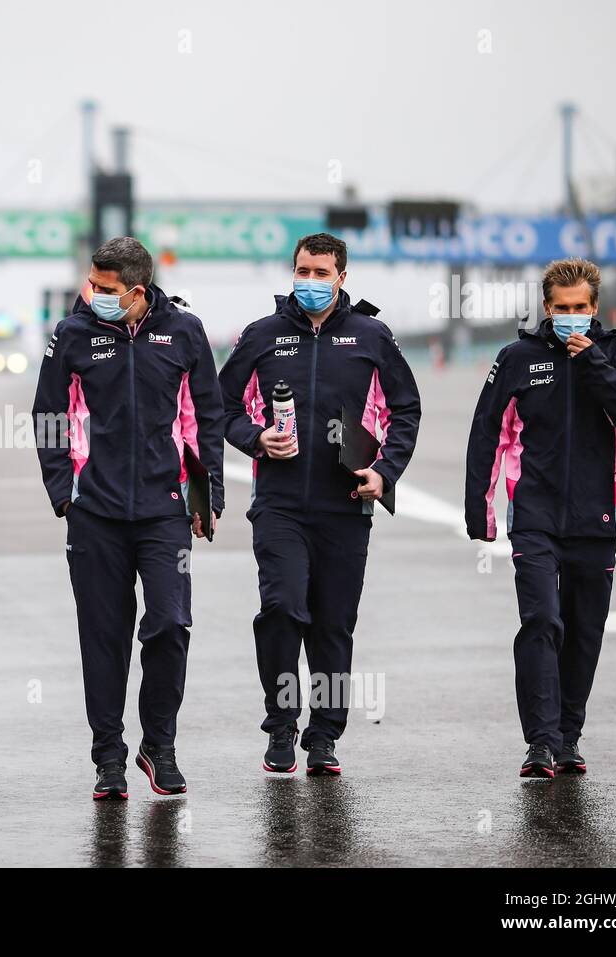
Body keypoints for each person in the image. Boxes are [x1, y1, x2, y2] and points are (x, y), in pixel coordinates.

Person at [219, 232, 421, 776]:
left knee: (333, 625)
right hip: (279, 505)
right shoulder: (262, 335)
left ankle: (325, 735)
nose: (310, 281)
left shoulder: (371, 336)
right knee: (283, 609)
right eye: (302, 271)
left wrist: (384, 472)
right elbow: (219, 405)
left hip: (346, 506)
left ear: (342, 277)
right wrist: (255, 438)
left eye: (321, 272)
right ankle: (281, 724)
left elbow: (407, 410)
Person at [33, 236, 225, 800]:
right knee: (103, 638)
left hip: (165, 512)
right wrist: (62, 491)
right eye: (92, 284)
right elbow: (49, 415)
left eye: (106, 289)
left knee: (170, 624)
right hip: (94, 513)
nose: (93, 295)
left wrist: (205, 495)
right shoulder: (71, 335)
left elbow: (204, 415)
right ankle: (109, 757)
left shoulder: (185, 332)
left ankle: (158, 745)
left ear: (137, 291)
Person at [465, 258, 616, 778]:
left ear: (594, 309)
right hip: (535, 516)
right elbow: (486, 436)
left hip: (599, 517)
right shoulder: (516, 358)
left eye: (581, 309)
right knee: (542, 621)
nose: (572, 317)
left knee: (585, 631)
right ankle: (541, 744)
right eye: (562, 309)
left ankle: (569, 738)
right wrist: (478, 512)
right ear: (547, 308)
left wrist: (593, 360)